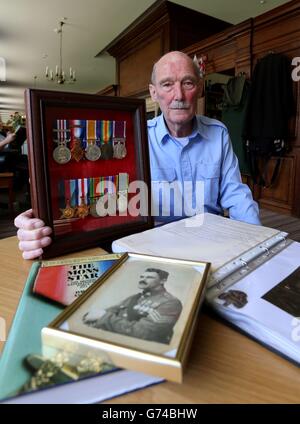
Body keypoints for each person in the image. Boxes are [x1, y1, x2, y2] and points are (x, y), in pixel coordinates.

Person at [14, 51, 260, 259]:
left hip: (212, 246)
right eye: (167, 84)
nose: (178, 95)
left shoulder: (218, 134)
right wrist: (43, 224)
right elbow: (91, 198)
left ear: (200, 88)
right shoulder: (133, 139)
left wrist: (260, 243)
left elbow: (237, 197)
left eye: (187, 83)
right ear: (154, 93)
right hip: (152, 249)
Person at [82, 268, 182, 344]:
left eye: (149, 277)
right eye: (142, 277)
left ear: (162, 281)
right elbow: (109, 311)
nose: (143, 279)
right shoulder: (134, 298)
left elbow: (144, 333)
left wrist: (103, 317)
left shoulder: (170, 302)